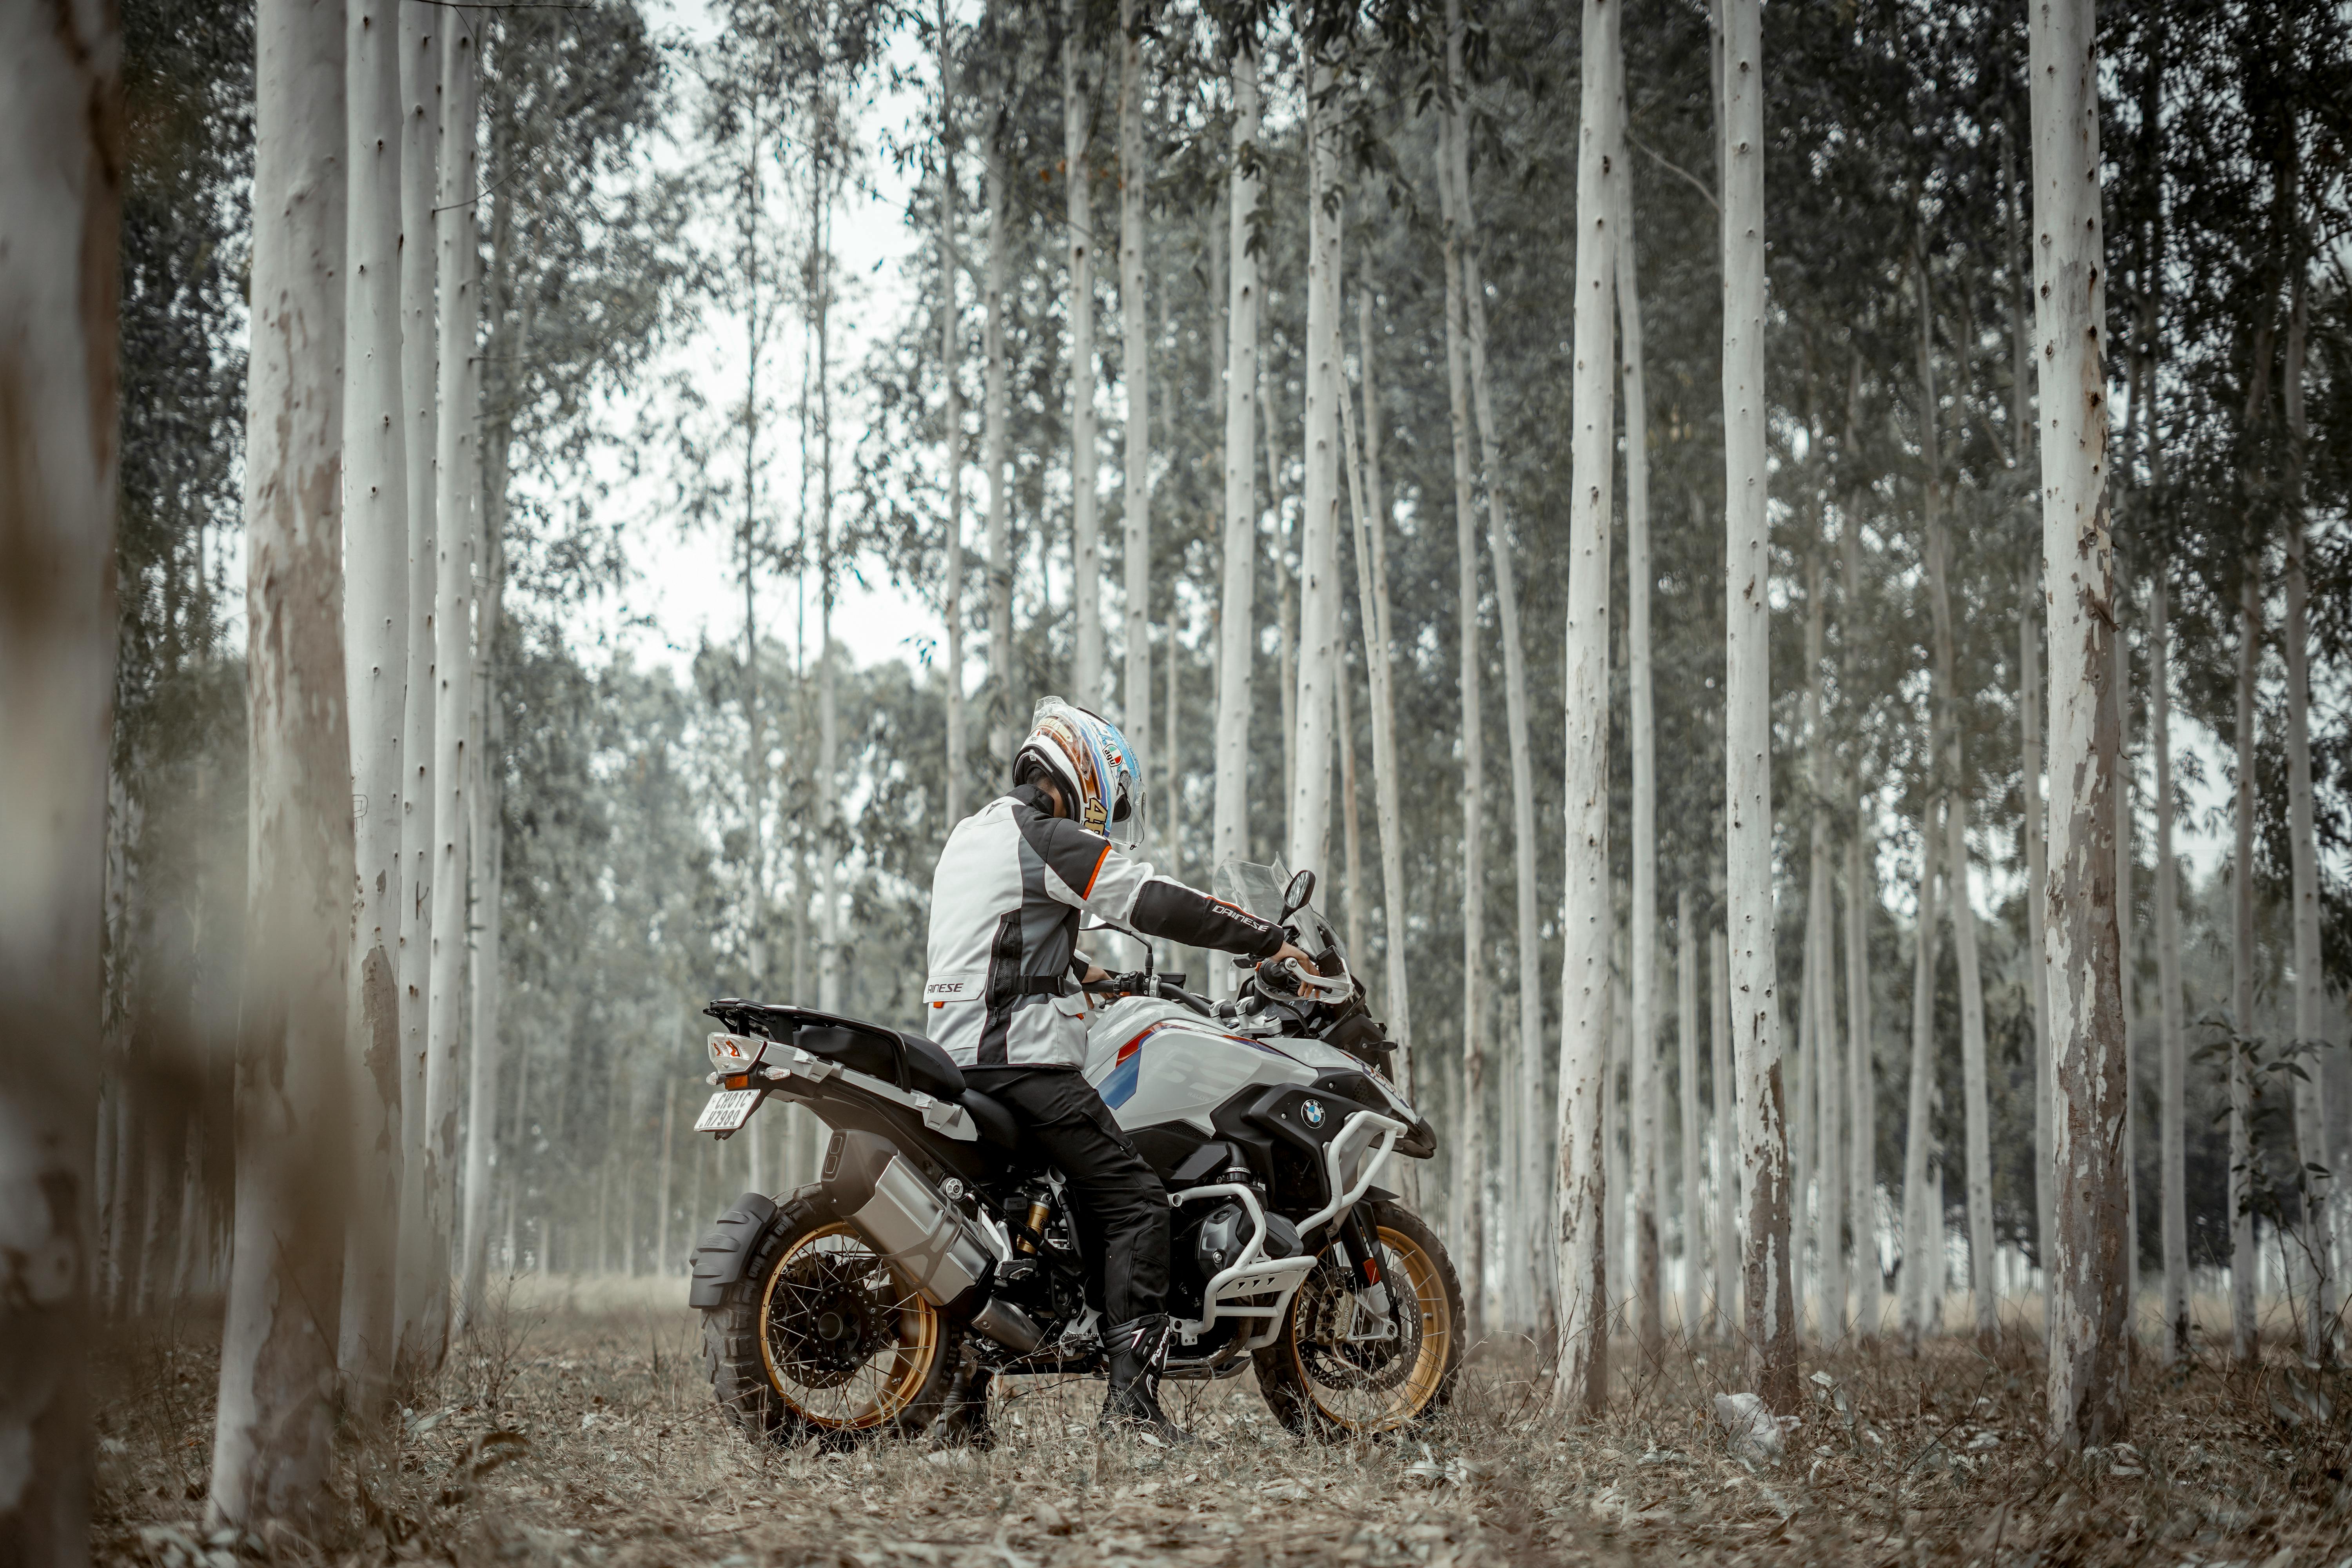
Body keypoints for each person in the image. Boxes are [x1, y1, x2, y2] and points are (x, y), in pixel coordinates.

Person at [920, 697, 1316, 1444]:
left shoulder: (973, 836)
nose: (1111, 815)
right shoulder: (1048, 837)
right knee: (1137, 1201)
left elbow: (991, 942)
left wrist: (1081, 972)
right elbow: (1153, 900)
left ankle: (960, 1410)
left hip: (961, 1058)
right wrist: (1264, 939)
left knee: (1007, 1226)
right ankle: (1132, 1414)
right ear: (1088, 772)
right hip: (1023, 1064)